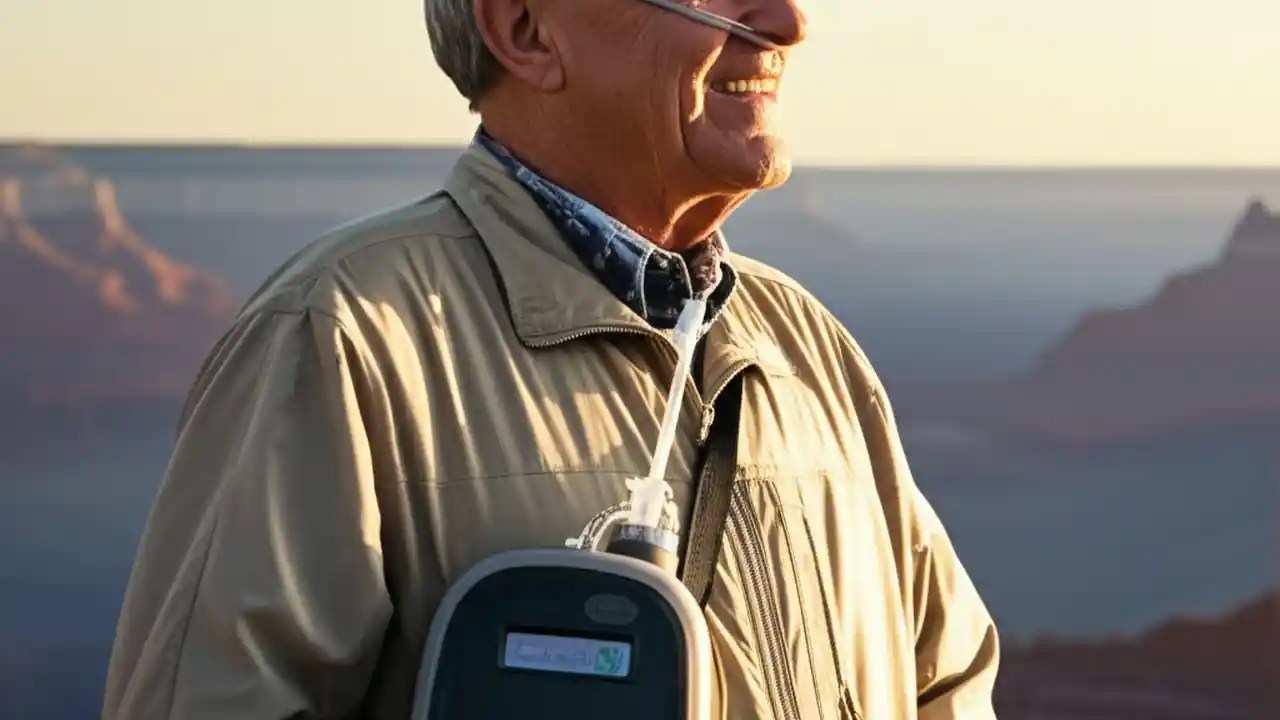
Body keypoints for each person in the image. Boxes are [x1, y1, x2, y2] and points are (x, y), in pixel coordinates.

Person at [103, 0, 1000, 717]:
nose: (786, 22)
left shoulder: (806, 350)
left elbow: (946, 684)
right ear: (526, 31)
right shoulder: (343, 335)